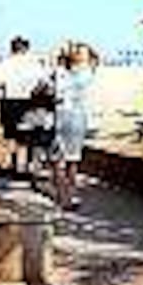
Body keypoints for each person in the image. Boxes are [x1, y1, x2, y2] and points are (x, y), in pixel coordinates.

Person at [0, 36, 48, 176]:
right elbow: (44, 82)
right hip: (29, 102)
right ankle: (26, 165)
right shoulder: (35, 64)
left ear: (12, 48)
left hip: (10, 101)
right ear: (26, 48)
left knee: (12, 136)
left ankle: (14, 164)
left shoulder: (6, 63)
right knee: (28, 136)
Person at [51, 43, 97, 210]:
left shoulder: (59, 73)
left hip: (61, 117)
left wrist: (60, 59)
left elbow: (52, 92)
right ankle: (72, 194)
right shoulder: (86, 74)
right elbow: (95, 60)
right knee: (73, 160)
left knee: (57, 160)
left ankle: (61, 196)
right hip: (78, 119)